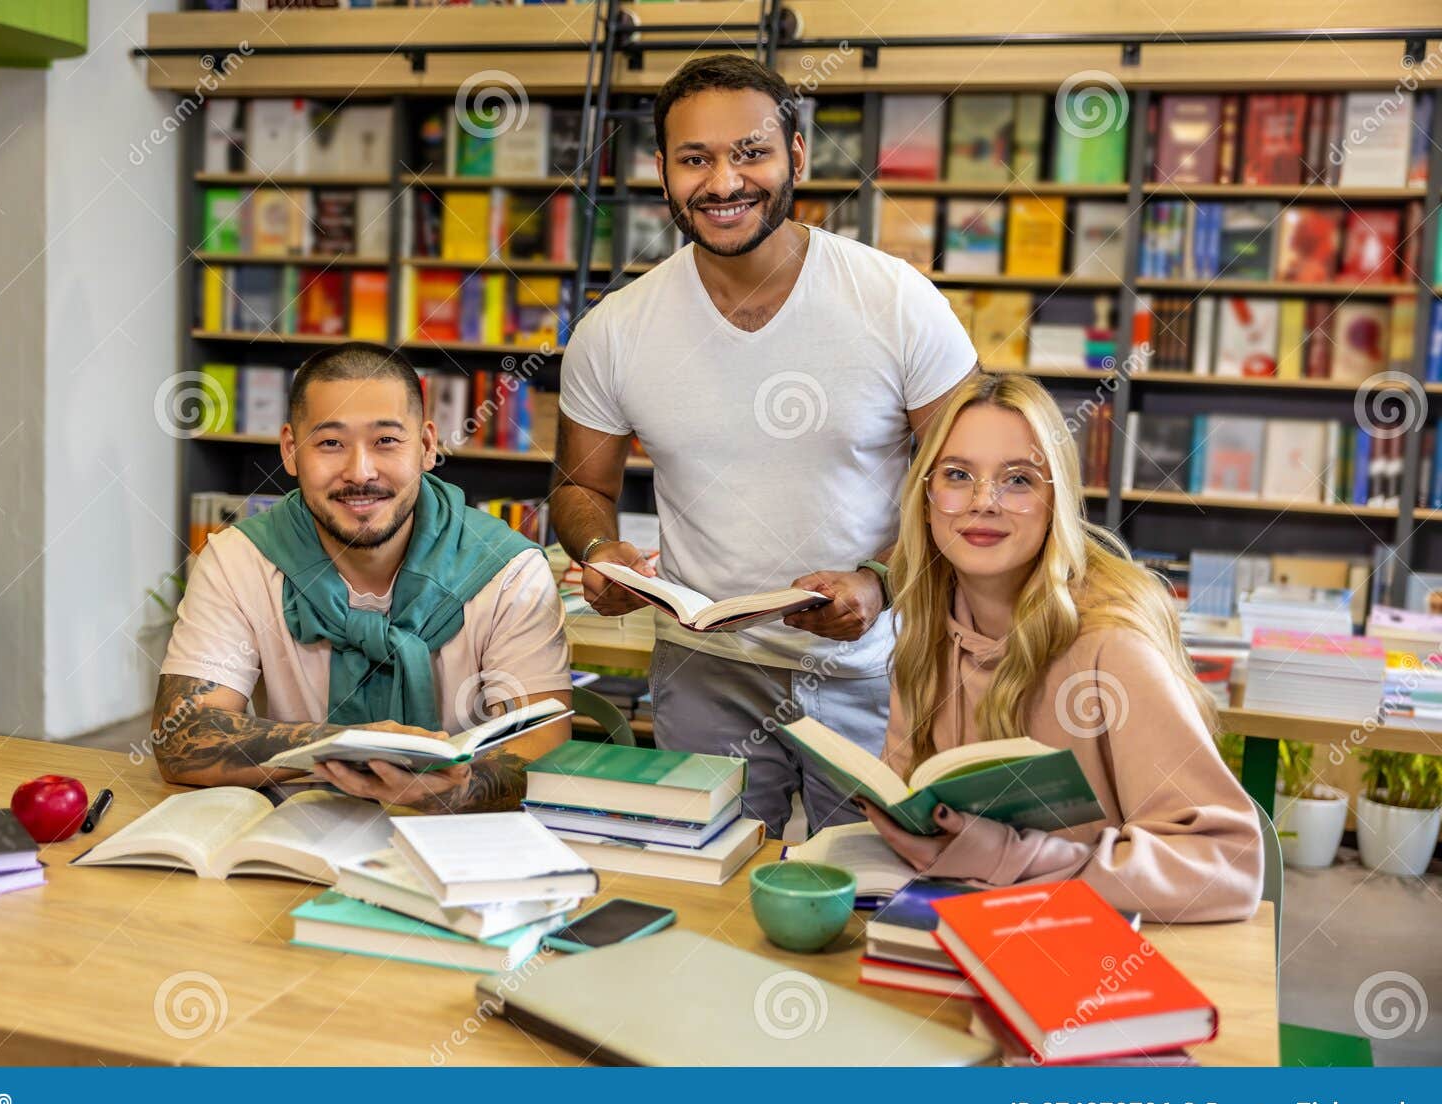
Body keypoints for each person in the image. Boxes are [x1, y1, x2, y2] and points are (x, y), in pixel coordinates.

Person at [552, 54, 977, 837]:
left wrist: (882, 581)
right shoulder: (615, 329)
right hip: (701, 667)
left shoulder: (895, 301)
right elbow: (580, 489)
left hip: (874, 666)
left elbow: (973, 484)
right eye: (695, 158)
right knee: (710, 887)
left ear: (796, 157)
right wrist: (599, 546)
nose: (723, 182)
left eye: (750, 152)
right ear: (661, 171)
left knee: (871, 884)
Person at [863, 372, 1263, 922]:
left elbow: (1228, 866)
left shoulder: (1112, 645)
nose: (983, 502)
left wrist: (1008, 857)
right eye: (958, 475)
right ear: (927, 496)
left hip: (1100, 955)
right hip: (966, 926)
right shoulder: (928, 625)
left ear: (1057, 501)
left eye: (1019, 481)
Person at [152, 342, 573, 813]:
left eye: (386, 441)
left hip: (462, 845)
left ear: (428, 446)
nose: (360, 472)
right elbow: (183, 738)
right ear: (291, 450)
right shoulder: (239, 558)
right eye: (330, 443)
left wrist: (451, 789)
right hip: (294, 836)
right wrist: (353, 744)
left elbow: (544, 755)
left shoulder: (508, 570)